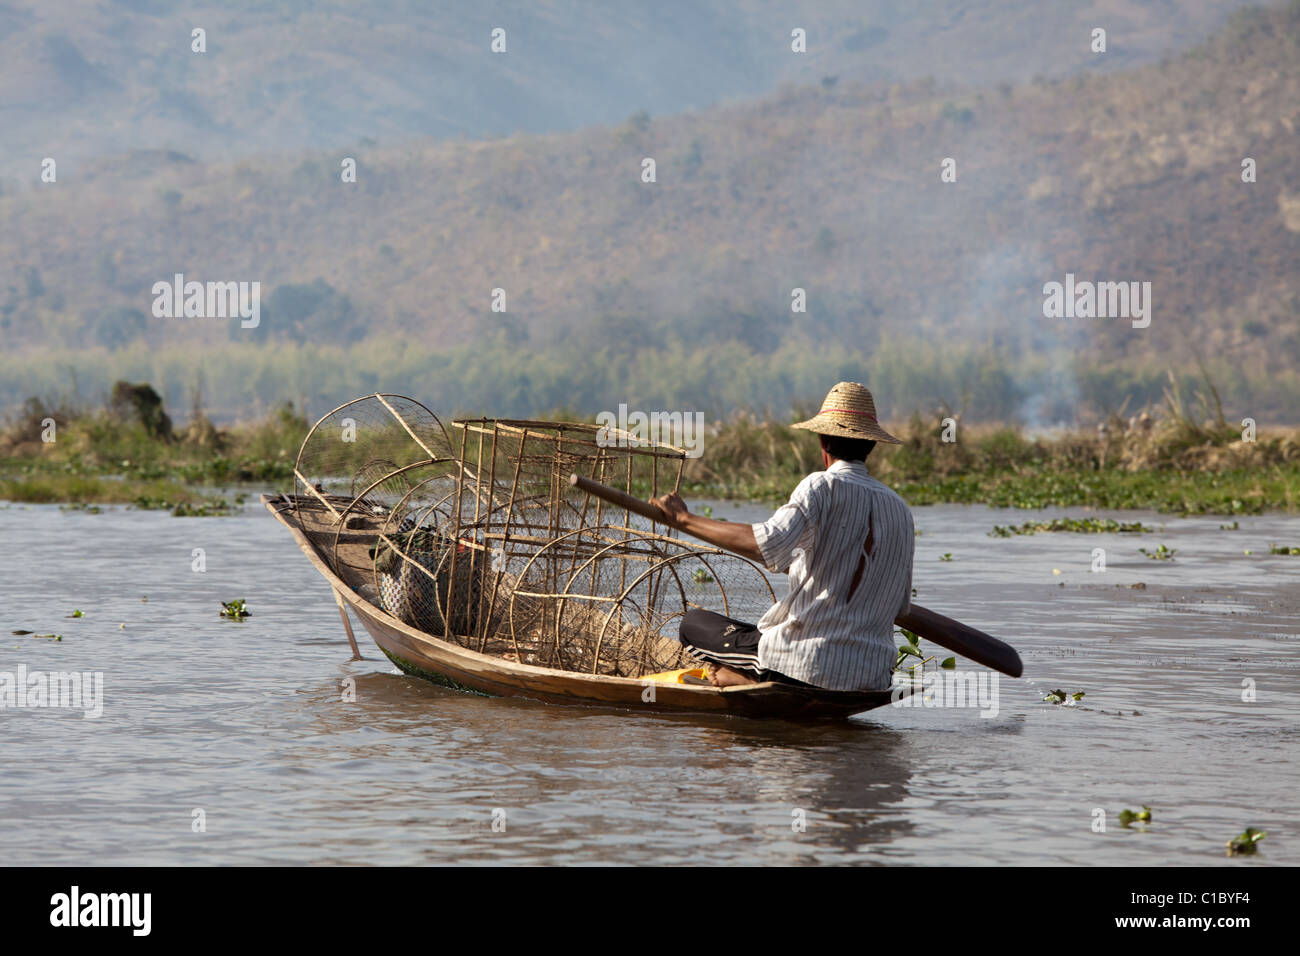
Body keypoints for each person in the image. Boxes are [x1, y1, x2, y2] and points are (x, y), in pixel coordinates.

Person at [650, 381, 914, 691]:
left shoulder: (821, 486)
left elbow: (769, 544)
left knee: (694, 623)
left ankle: (749, 676)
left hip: (807, 664)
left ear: (823, 440)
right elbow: (900, 607)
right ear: (871, 445)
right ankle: (753, 672)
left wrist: (684, 519)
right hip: (871, 675)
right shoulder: (900, 508)